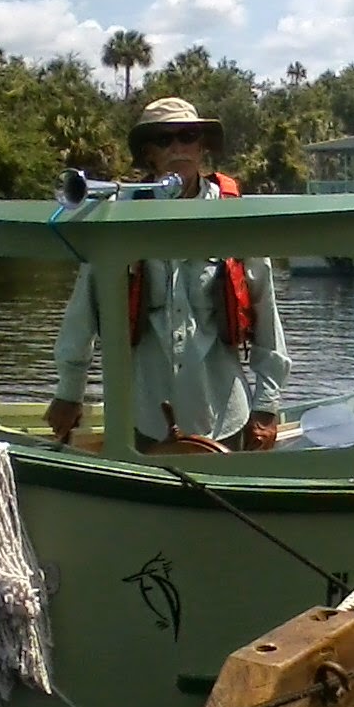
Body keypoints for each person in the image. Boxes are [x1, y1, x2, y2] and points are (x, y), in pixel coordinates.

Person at [45, 97, 291, 452]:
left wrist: (267, 405)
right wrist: (69, 392)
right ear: (149, 153)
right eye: (164, 139)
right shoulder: (118, 216)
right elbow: (83, 312)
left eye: (187, 136)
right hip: (140, 414)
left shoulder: (234, 214)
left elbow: (266, 312)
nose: (177, 148)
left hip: (223, 415)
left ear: (202, 147)